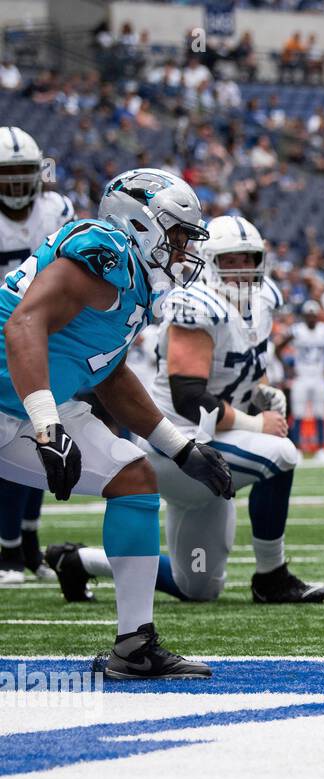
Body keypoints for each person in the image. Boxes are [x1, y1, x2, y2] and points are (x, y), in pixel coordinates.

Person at [3, 168, 231, 678]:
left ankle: (134, 647)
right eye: (175, 235)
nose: (181, 251)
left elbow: (107, 372)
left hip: (26, 404)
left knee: (134, 477)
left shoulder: (132, 283)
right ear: (140, 221)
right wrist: (47, 426)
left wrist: (180, 448)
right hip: (19, 402)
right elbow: (23, 322)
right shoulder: (105, 249)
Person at [49, 215, 324, 606]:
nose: (242, 269)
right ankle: (272, 576)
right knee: (281, 454)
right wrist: (255, 422)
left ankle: (77, 560)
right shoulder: (195, 304)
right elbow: (189, 396)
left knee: (197, 585)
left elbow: (245, 365)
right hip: (177, 448)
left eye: (249, 259)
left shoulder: (264, 299)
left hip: (215, 448)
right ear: (210, 260)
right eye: (231, 260)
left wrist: (263, 393)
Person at [0, 126, 74, 584]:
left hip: (47, 332)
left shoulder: (57, 209)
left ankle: (27, 543)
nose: (14, 185)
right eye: (6, 176)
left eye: (22, 174)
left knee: (44, 434)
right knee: (12, 435)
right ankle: (7, 549)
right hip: (2, 334)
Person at [288, 300, 324, 455]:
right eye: (309, 315)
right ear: (304, 316)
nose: (311, 318)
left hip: (319, 375)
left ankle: (322, 448)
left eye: (313, 315)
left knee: (321, 412)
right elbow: (280, 348)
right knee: (298, 412)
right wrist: (288, 368)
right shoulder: (297, 330)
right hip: (302, 375)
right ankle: (297, 448)